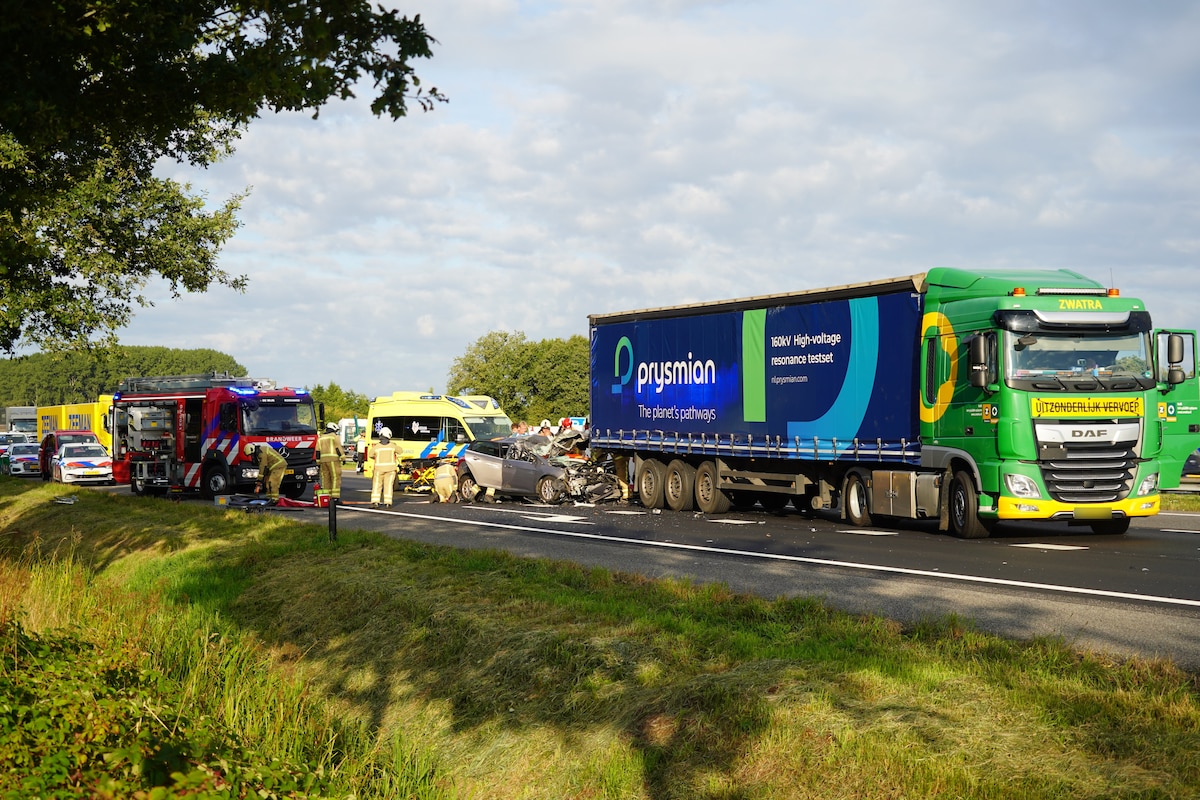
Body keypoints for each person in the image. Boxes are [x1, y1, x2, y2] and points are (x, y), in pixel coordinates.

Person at [370, 426, 399, 508]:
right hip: (391, 470)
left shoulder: (376, 446)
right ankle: (388, 502)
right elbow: (400, 451)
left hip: (378, 470)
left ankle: (375, 502)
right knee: (388, 485)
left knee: (376, 485)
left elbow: (370, 455)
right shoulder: (392, 446)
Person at [317, 422, 345, 503]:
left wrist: (318, 462)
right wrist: (343, 458)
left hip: (323, 461)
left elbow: (317, 451)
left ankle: (326, 497)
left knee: (326, 478)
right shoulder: (334, 437)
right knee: (336, 477)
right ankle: (335, 497)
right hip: (333, 460)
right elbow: (338, 448)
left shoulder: (321, 438)